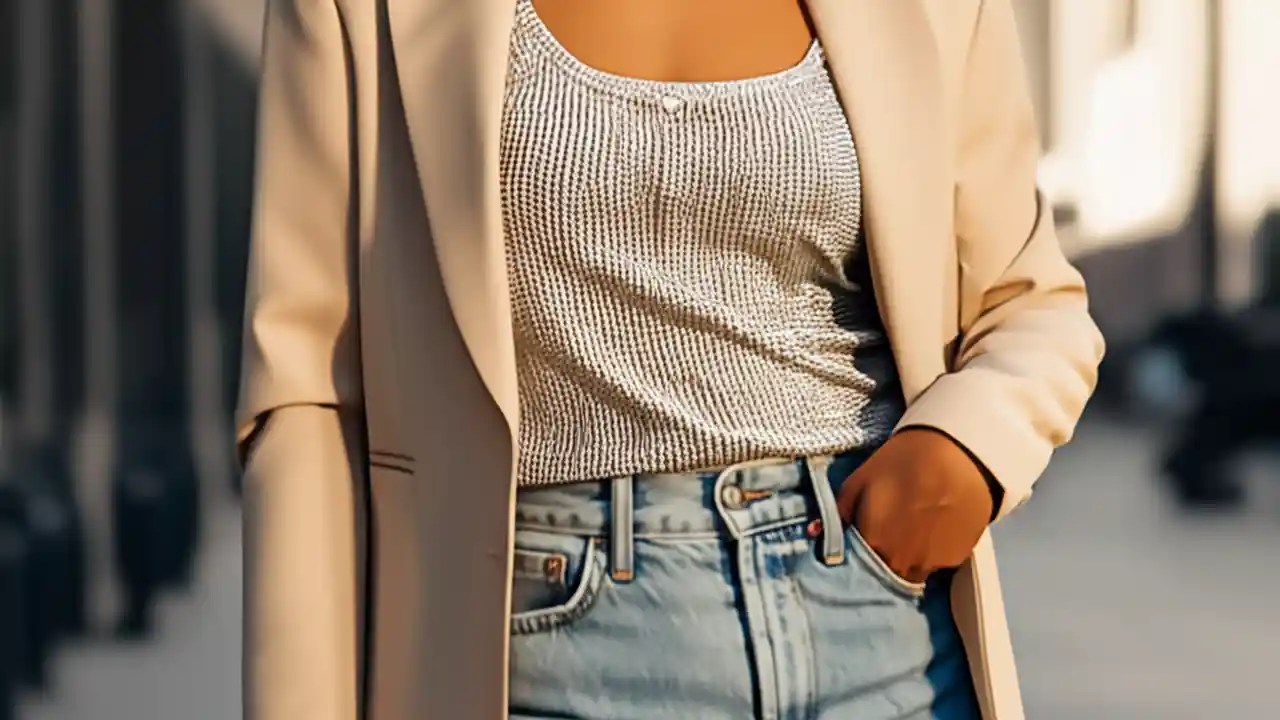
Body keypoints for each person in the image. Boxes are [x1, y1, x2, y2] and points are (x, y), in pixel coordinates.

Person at [236, 1, 1105, 718]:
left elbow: (1029, 301)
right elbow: (305, 390)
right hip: (544, 648)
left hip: (882, 630)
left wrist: (967, 447)